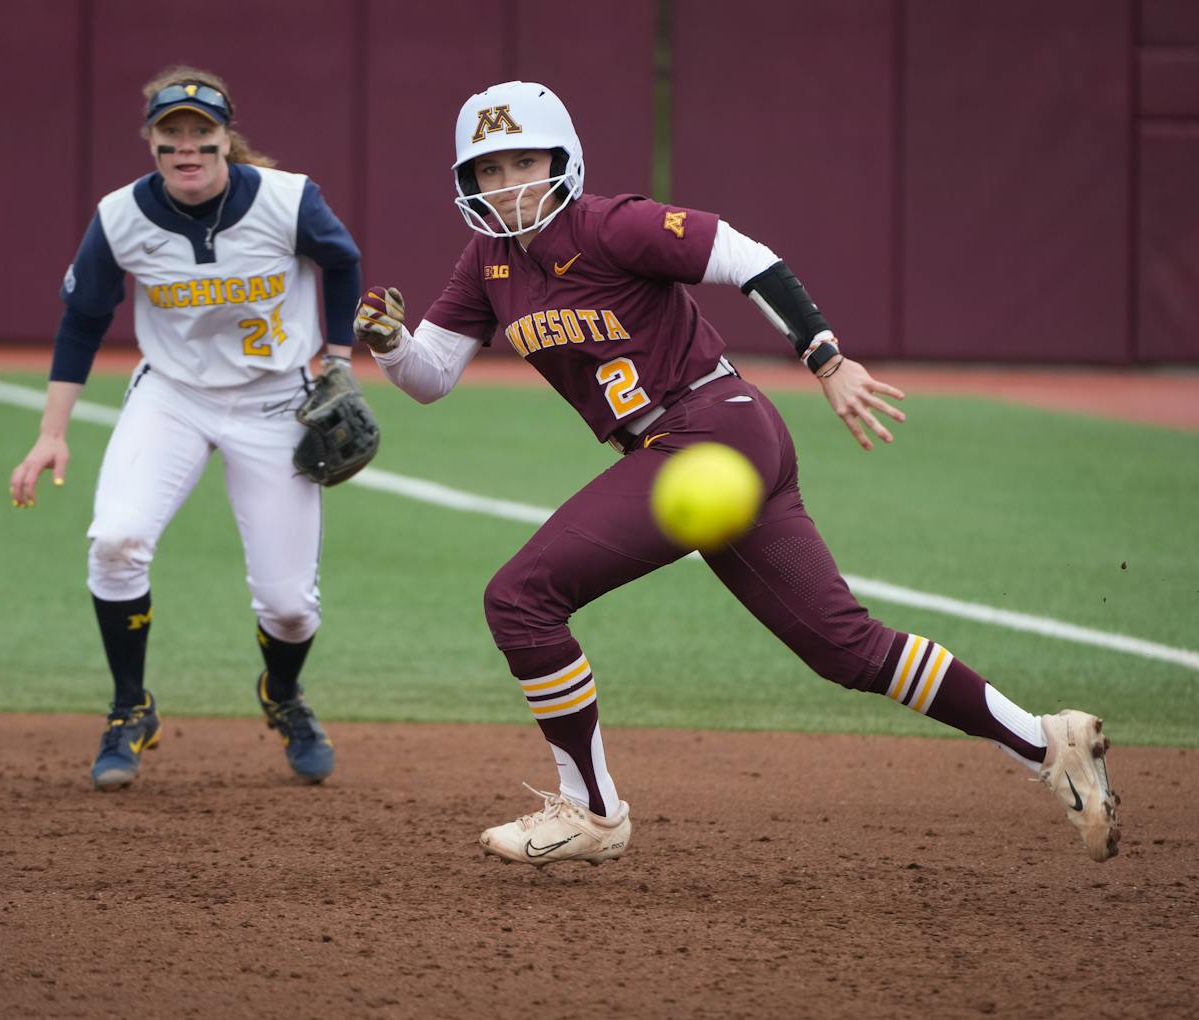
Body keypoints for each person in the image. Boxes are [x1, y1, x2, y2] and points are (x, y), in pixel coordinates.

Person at [352, 81, 1119, 865]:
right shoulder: (488, 260)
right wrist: (388, 342)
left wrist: (826, 357)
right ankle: (1045, 743)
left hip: (711, 432)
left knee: (520, 600)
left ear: (564, 159)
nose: (510, 183)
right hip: (700, 449)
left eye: (525, 160)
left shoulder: (613, 225)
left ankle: (592, 812)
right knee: (845, 649)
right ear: (467, 183)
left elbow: (750, 257)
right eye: (489, 169)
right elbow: (430, 376)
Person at [9, 66, 362, 791]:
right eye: (172, 135)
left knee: (291, 608)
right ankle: (128, 708)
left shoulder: (288, 199)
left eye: (202, 132)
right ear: (152, 142)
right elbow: (83, 320)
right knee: (116, 540)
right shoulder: (120, 218)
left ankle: (284, 696)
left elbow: (344, 261)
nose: (188, 147)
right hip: (172, 397)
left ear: (226, 137)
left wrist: (338, 356)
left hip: (274, 404)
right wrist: (52, 431)